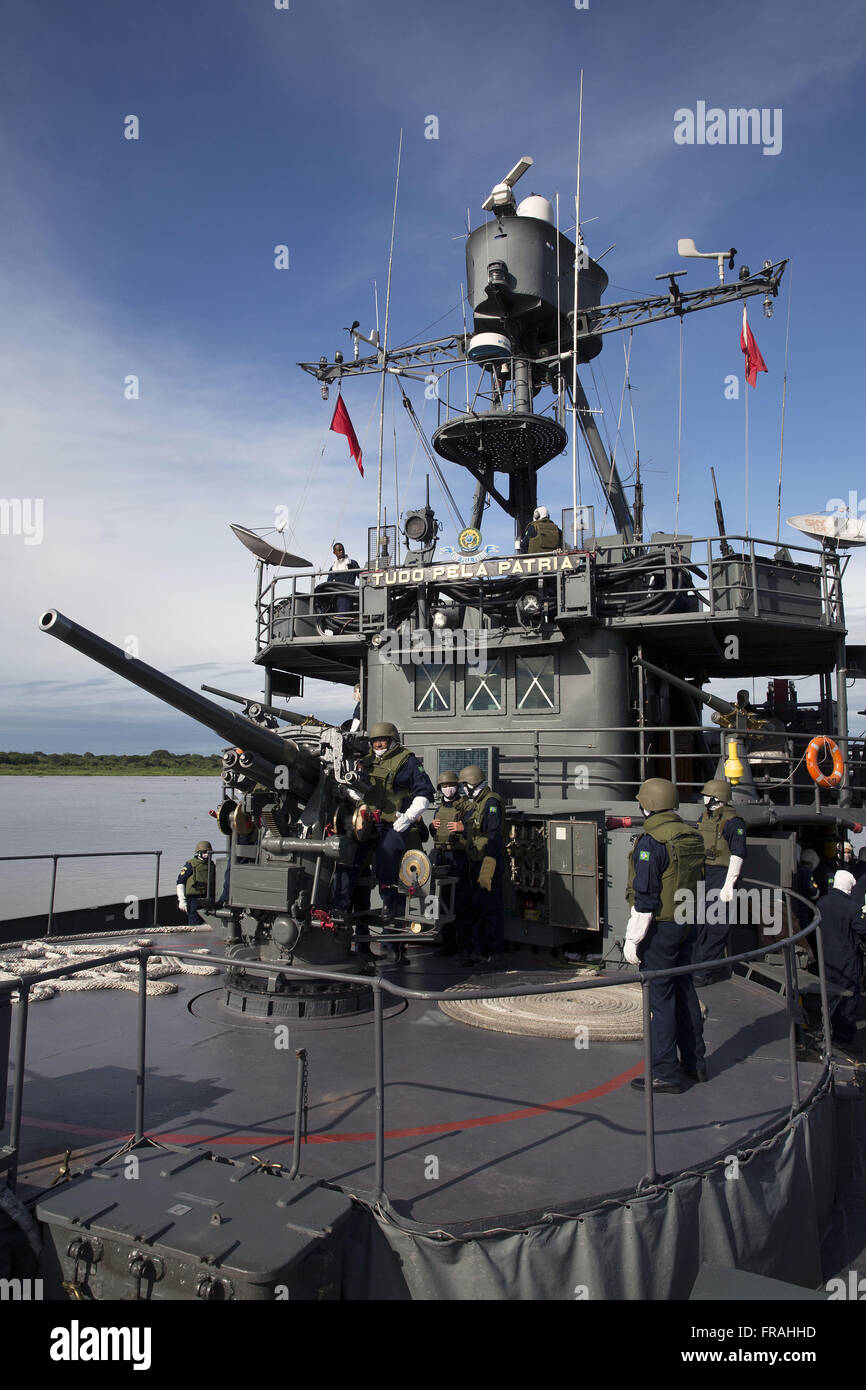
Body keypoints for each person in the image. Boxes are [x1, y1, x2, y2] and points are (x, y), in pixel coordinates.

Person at [624, 778, 707, 1093]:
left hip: (660, 928)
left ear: (647, 804)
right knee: (685, 991)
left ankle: (665, 1072)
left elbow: (645, 895)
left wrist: (633, 939)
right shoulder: (690, 835)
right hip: (688, 922)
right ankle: (695, 1064)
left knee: (660, 999)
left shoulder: (651, 841)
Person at [357, 722, 434, 923]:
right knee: (347, 854)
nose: (378, 744)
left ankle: (388, 901)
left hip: (395, 822)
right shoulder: (365, 762)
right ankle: (341, 902)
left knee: (388, 853)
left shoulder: (407, 761)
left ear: (392, 741)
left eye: (382, 740)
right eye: (374, 741)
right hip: (367, 821)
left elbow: (423, 792)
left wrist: (409, 816)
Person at [693, 778, 747, 985]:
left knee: (717, 926)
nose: (703, 799)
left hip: (722, 875)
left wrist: (728, 885)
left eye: (707, 796)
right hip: (703, 873)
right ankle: (695, 966)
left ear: (717, 798)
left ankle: (703, 971)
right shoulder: (705, 817)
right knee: (699, 924)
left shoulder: (734, 823)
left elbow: (738, 854)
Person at [460, 764, 505, 967]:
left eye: (464, 785)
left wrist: (488, 866)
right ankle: (480, 951)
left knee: (491, 909)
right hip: (476, 862)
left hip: (488, 863)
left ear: (472, 783)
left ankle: (495, 954)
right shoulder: (476, 804)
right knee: (477, 907)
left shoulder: (491, 803)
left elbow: (493, 836)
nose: (463, 789)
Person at [816, 869, 866, 1047]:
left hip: (826, 957)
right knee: (849, 995)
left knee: (829, 995)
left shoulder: (822, 903)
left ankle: (825, 1029)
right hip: (847, 958)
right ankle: (843, 1036)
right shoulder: (853, 907)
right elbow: (862, 930)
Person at [430, 770, 472, 956]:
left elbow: (475, 830)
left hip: (458, 857)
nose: (448, 789)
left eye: (451, 785)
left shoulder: (466, 806)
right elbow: (435, 832)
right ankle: (447, 942)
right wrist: (432, 827)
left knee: (460, 902)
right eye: (445, 786)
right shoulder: (439, 807)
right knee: (443, 900)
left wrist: (463, 828)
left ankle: (464, 946)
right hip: (441, 856)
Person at [177, 841, 215, 925]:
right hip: (194, 899)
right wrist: (182, 900)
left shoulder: (211, 865)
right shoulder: (191, 864)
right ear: (198, 853)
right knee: (194, 923)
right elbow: (180, 881)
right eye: (204, 853)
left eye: (209, 853)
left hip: (208, 898)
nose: (207, 855)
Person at [327, 542, 360, 614]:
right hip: (338, 595)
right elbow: (328, 583)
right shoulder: (333, 568)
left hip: (349, 594)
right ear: (334, 552)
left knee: (342, 613)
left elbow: (361, 576)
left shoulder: (352, 564)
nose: (341, 551)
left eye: (342, 549)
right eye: (339, 550)